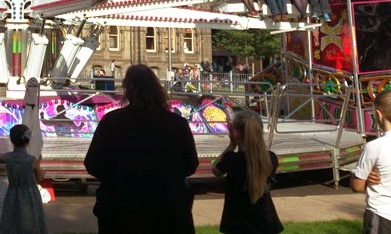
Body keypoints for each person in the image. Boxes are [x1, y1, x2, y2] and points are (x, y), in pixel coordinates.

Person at [84, 64, 199, 233]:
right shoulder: (177, 124)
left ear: (127, 89)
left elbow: (92, 164)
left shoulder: (112, 122)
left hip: (121, 209)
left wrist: (117, 176)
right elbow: (191, 164)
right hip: (167, 210)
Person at [212, 110, 283, 233]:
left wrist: (231, 145)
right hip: (266, 222)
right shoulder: (270, 159)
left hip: (238, 223)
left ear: (236, 133)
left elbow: (216, 170)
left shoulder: (231, 159)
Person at [351, 89, 391, 233]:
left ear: (379, 115)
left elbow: (357, 185)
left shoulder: (374, 147)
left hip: (380, 214)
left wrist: (366, 178)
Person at [0, 124, 47, 234]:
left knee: (11, 221)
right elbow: (39, 177)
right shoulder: (31, 160)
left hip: (12, 193)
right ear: (27, 141)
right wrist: (42, 173)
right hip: (29, 194)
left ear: (12, 140)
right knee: (31, 221)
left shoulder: (7, 157)